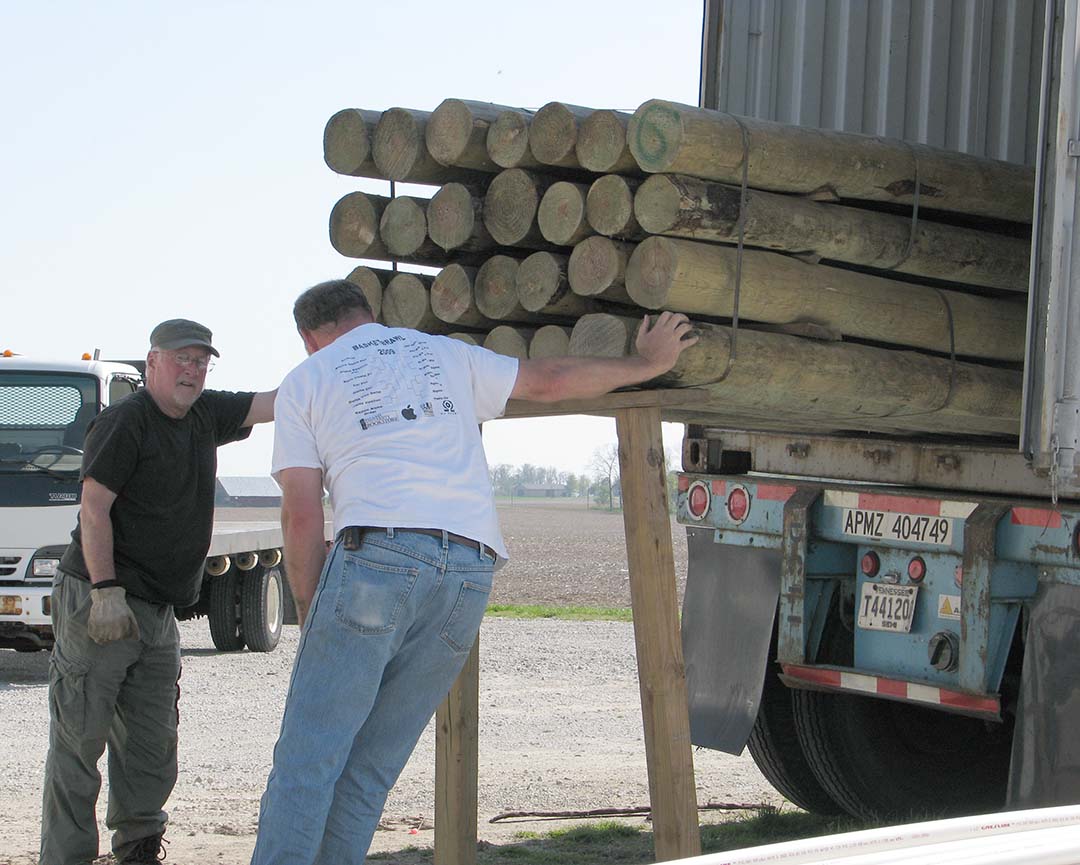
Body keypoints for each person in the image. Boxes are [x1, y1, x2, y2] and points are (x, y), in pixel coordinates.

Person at [250, 279, 696, 865]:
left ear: (310, 337)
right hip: (468, 569)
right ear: (371, 315)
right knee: (368, 771)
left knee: (308, 765)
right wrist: (646, 363)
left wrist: (312, 612)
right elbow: (550, 381)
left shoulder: (306, 381)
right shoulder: (443, 353)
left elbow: (302, 513)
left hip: (378, 558)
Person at [40, 319, 276, 865]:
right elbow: (93, 508)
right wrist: (104, 592)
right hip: (99, 600)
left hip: (157, 611)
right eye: (181, 359)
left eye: (201, 361)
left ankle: (139, 849)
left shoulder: (204, 414)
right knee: (79, 741)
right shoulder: (125, 422)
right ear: (152, 363)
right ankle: (67, 857)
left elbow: (271, 403)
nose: (191, 371)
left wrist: (346, 365)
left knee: (152, 744)